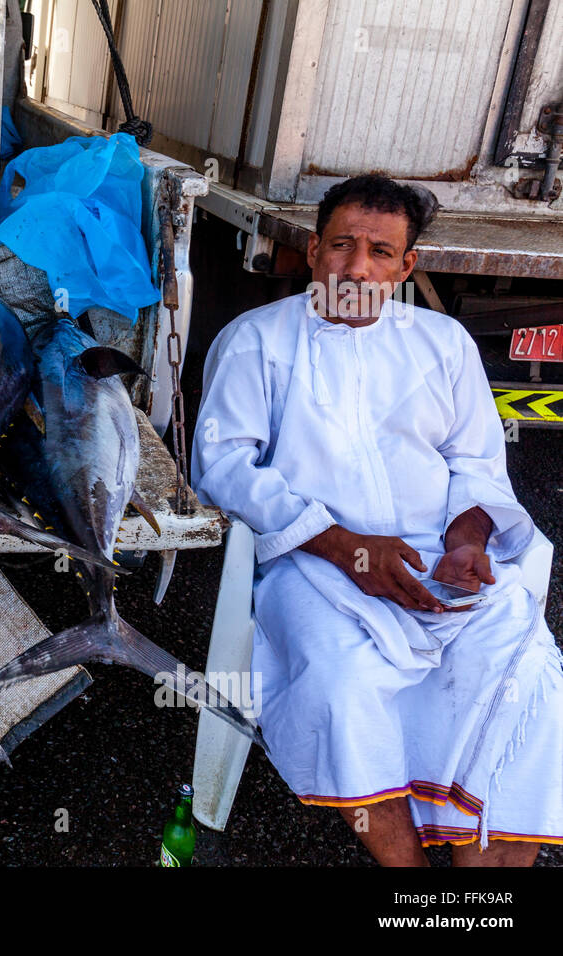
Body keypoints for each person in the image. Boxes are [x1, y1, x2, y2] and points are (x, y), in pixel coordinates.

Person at [192, 174, 563, 866]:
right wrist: (347, 547)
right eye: (342, 245)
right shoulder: (257, 341)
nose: (357, 267)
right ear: (312, 252)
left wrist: (465, 542)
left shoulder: (443, 342)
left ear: (406, 266)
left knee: (529, 680)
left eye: (380, 252)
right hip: (313, 562)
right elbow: (224, 468)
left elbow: (477, 463)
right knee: (343, 682)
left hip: (435, 560)